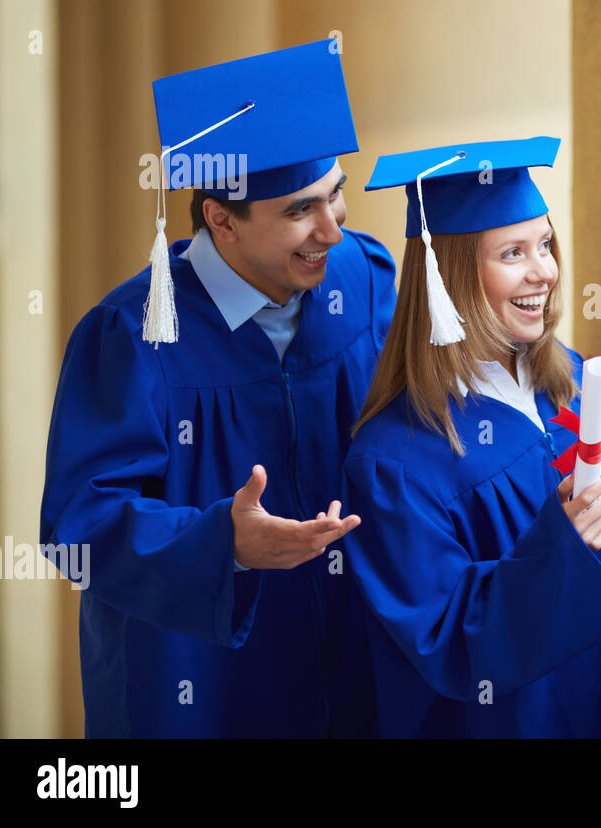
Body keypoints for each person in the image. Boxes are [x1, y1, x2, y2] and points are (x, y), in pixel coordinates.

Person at [39, 41, 396, 736]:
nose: (332, 230)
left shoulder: (364, 277)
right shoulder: (132, 336)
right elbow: (76, 527)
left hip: (349, 658)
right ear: (222, 221)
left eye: (337, 196)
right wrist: (220, 542)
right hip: (197, 682)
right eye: (300, 211)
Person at [345, 135, 601, 737]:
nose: (545, 271)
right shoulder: (393, 460)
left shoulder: (565, 378)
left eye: (546, 245)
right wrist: (557, 548)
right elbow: (445, 640)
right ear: (446, 277)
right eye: (513, 252)